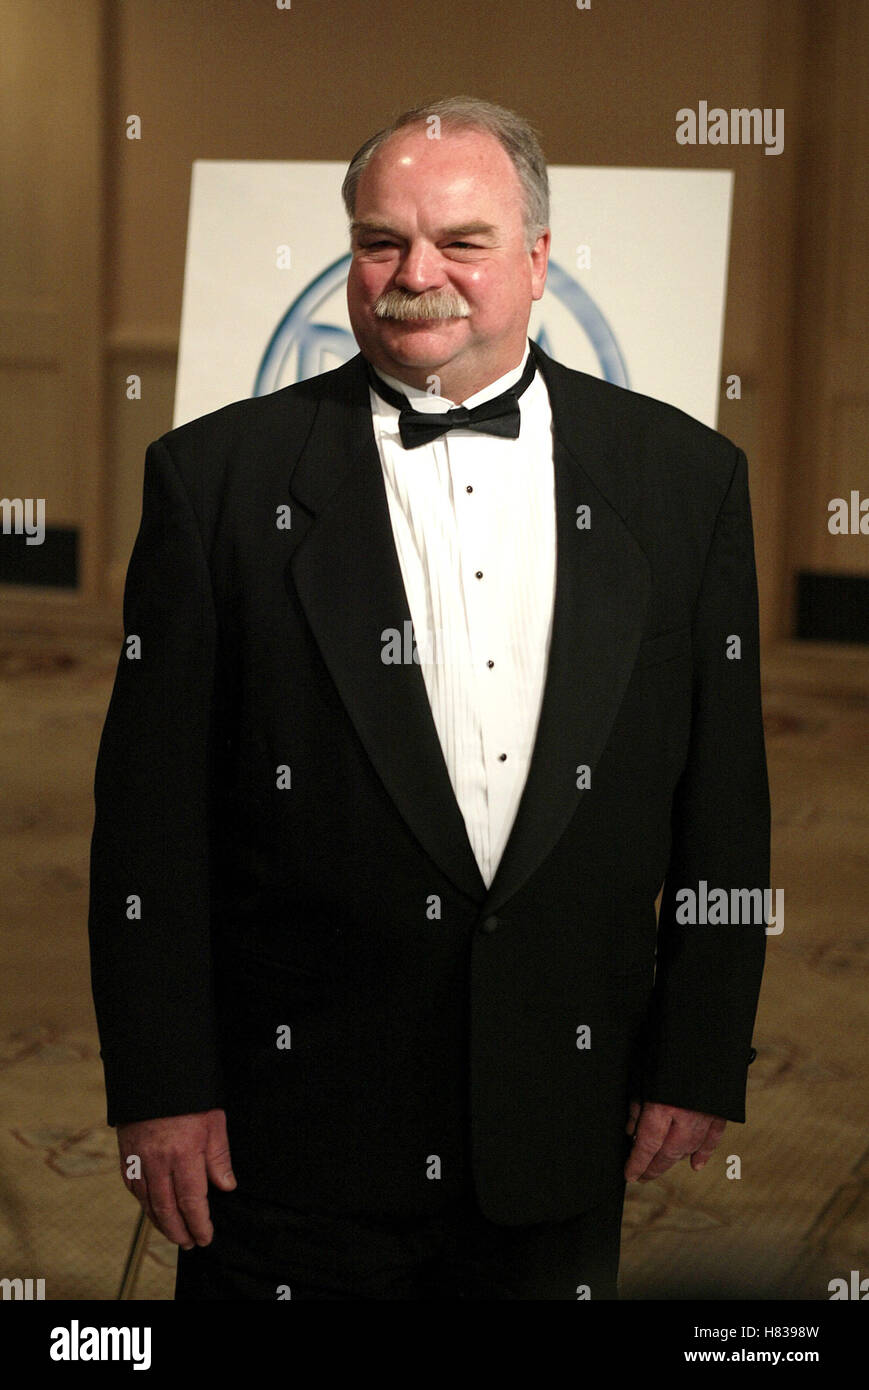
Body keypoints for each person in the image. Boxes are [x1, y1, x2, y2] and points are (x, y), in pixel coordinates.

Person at [87, 96, 770, 1301]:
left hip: (562, 1112)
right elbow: (150, 826)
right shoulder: (214, 483)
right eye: (378, 242)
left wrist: (697, 1053)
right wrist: (162, 1087)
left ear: (537, 259)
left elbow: (721, 798)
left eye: (461, 242)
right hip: (290, 1129)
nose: (416, 276)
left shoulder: (683, 480)